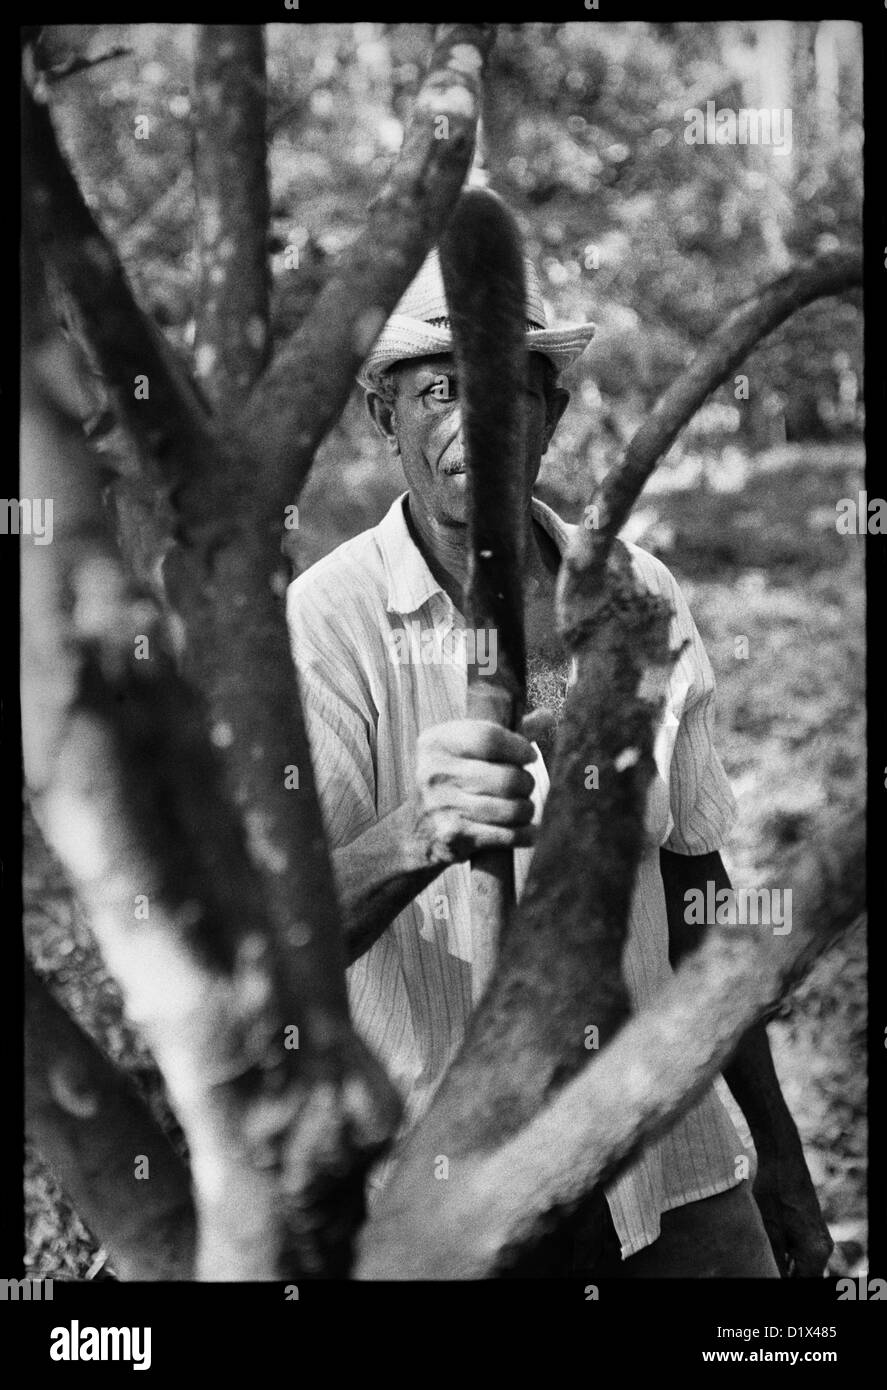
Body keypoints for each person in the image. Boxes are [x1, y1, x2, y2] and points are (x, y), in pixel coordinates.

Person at [286, 247, 832, 1277]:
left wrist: (779, 1158)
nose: (476, 421)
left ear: (551, 413)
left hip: (669, 1150)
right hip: (450, 1192)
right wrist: (416, 834)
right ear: (382, 417)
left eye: (506, 389)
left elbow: (691, 891)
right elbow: (280, 940)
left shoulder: (636, 592)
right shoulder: (325, 624)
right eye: (439, 390)